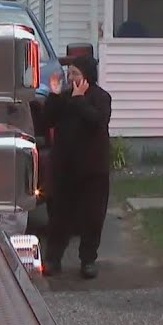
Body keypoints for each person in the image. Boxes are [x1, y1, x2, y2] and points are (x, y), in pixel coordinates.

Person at [42, 54, 113, 279]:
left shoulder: (101, 97)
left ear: (87, 76)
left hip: (93, 169)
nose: (70, 77)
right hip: (65, 168)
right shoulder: (64, 97)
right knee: (59, 216)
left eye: (75, 73)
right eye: (69, 73)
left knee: (92, 216)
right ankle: (53, 259)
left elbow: (97, 121)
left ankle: (88, 260)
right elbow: (47, 120)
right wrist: (54, 96)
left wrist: (80, 100)